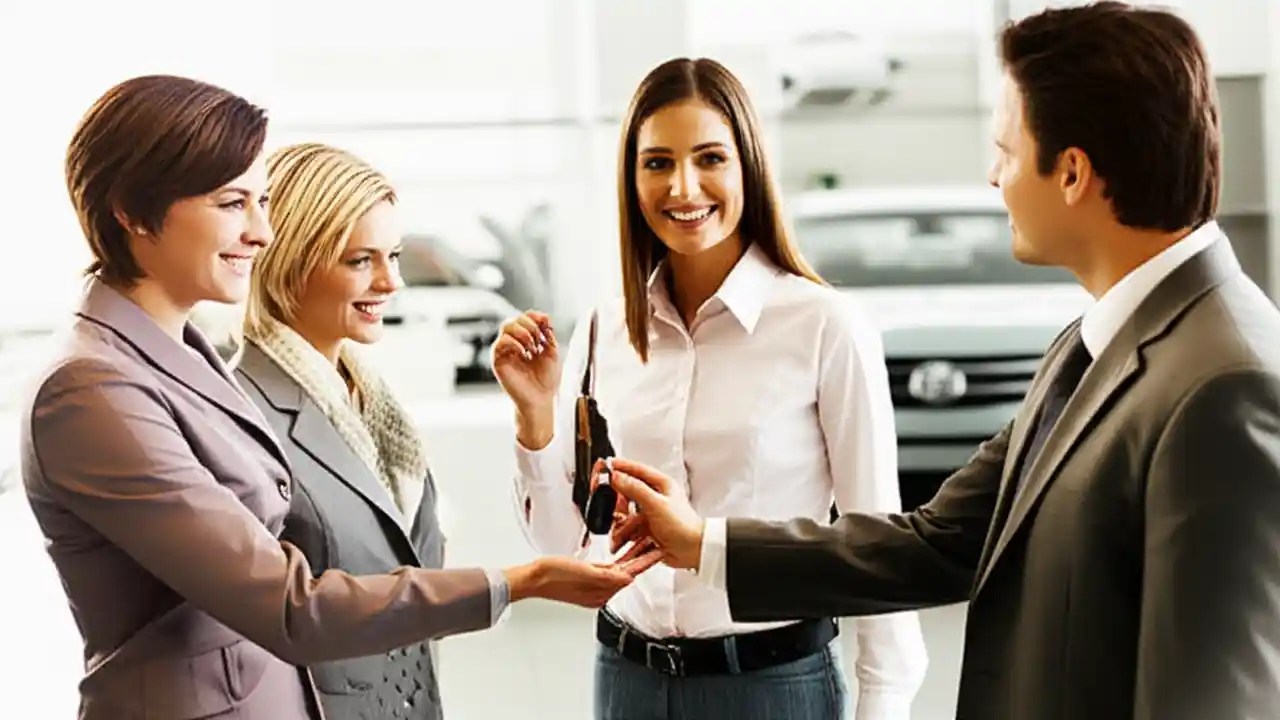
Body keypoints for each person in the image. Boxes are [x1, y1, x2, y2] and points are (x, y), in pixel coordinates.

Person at [604, 4, 1280, 719]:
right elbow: (937, 543)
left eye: (1006, 152)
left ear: (1072, 172)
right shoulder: (1096, 343)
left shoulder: (1225, 387)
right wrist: (702, 543)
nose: (993, 177)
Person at [20, 75, 653, 720]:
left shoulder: (182, 357)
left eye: (263, 202)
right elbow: (289, 606)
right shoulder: (90, 390)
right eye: (233, 203)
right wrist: (522, 582)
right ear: (131, 211)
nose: (261, 232)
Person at [492, 57, 927, 720]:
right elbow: (564, 548)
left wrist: (883, 705)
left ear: (748, 165)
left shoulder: (824, 325)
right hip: (628, 681)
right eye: (658, 163)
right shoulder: (606, 329)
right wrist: (535, 417)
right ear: (632, 178)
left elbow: (875, 547)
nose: (683, 187)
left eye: (710, 158)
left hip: (773, 688)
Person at [231, 141, 497, 719]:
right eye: (361, 261)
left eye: (393, 256)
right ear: (291, 260)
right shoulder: (242, 411)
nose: (391, 281)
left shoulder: (373, 403)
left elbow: (418, 568)